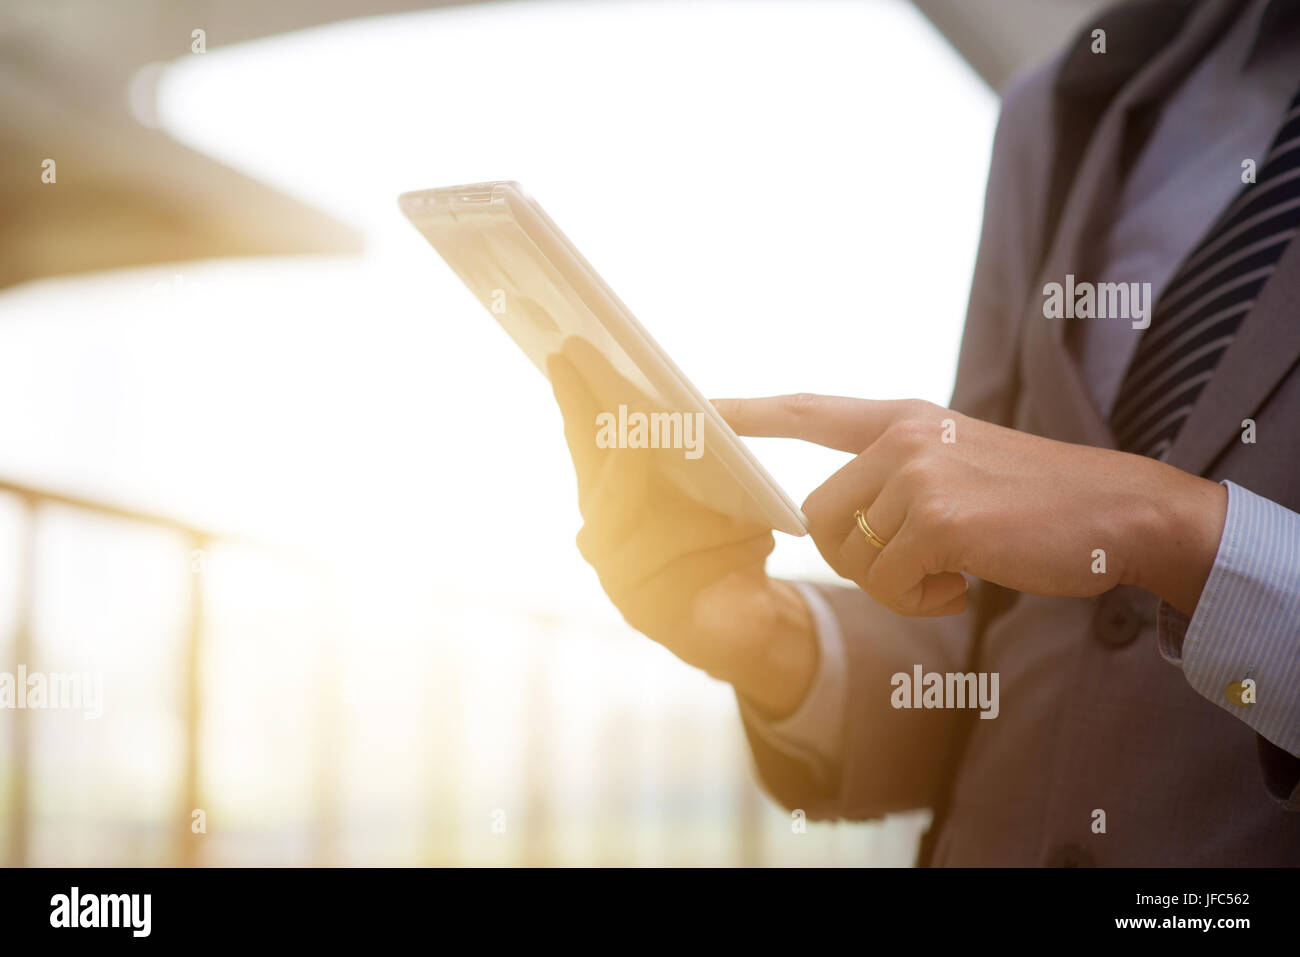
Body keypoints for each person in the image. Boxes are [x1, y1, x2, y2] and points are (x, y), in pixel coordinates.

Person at [549, 0, 1300, 865]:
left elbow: (1123, 530)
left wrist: (1175, 529)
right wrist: (769, 635)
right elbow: (995, 630)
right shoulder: (1059, 108)